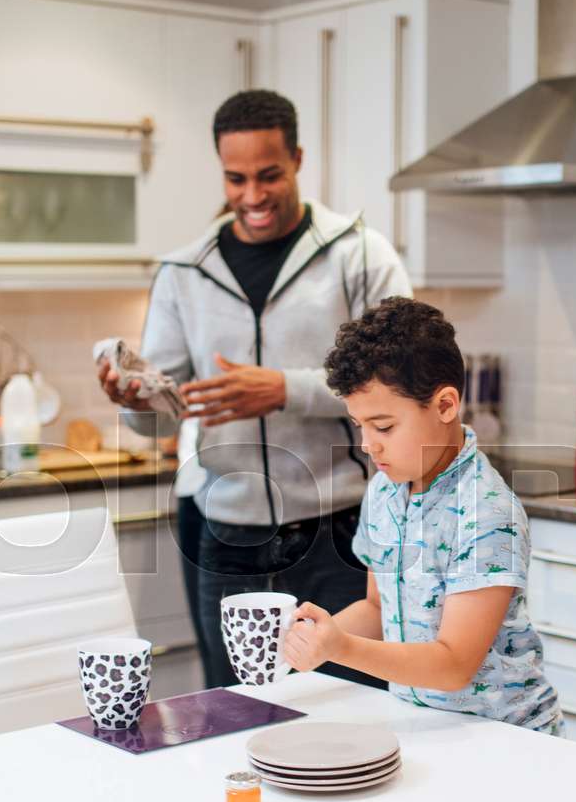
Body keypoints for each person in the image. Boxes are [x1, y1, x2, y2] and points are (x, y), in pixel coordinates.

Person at [100, 89, 409, 689]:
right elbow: (163, 414)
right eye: (235, 178)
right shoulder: (184, 272)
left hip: (341, 531)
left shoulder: (359, 255)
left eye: (268, 175)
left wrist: (285, 390)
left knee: (351, 701)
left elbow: (402, 382)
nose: (251, 196)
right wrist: (134, 404)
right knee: (239, 708)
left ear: (297, 158)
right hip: (228, 535)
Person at [281, 297, 563, 733]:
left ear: (446, 405)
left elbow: (452, 664)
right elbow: (378, 606)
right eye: (360, 426)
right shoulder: (384, 490)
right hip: (423, 723)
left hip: (505, 736)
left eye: (384, 426)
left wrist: (339, 649)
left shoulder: (487, 513)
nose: (368, 445)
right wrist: (312, 639)